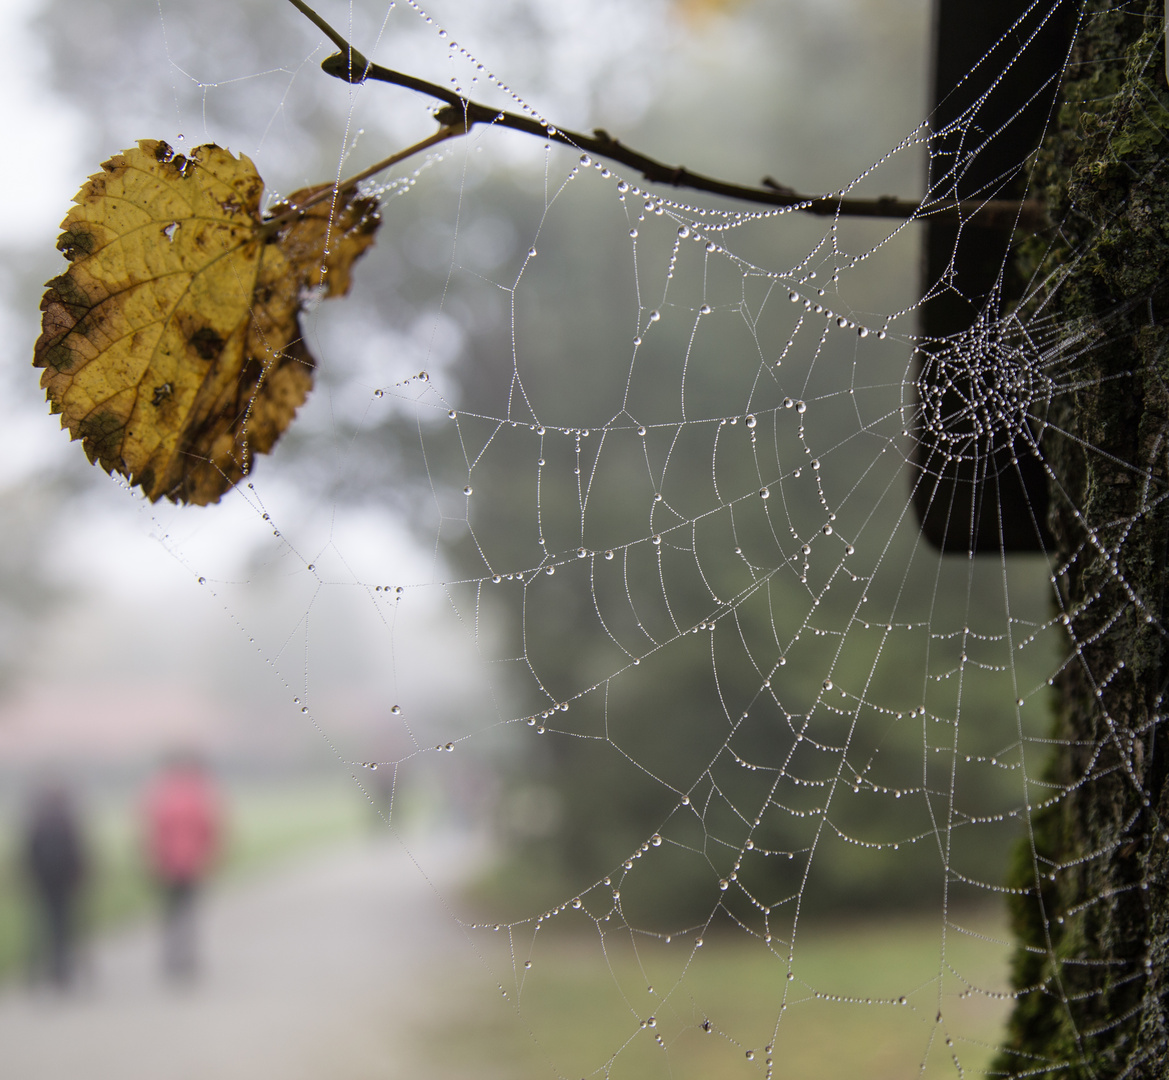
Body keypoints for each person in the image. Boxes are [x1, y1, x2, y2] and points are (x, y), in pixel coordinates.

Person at [142, 751, 222, 981]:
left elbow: (150, 829)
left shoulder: (159, 792)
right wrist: (210, 856)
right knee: (188, 911)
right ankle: (187, 956)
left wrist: (151, 858)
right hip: (192, 863)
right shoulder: (199, 792)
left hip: (165, 863)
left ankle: (171, 956)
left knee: (169, 911)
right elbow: (211, 827)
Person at [21, 778, 89, 989]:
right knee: (64, 927)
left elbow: (29, 854)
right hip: (65, 884)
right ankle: (62, 971)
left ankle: (38, 973)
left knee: (43, 926)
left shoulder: (37, 821)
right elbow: (77, 853)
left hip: (43, 884)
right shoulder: (67, 820)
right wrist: (80, 877)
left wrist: (29, 879)